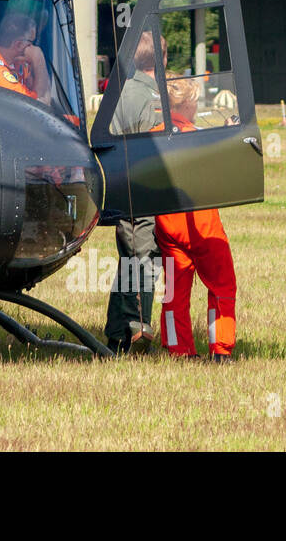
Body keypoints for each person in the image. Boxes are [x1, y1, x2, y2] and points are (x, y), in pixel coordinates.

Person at [152, 75, 237, 362]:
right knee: (221, 285)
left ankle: (178, 350)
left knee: (175, 292)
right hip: (202, 225)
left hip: (168, 225)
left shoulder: (153, 135)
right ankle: (220, 350)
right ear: (187, 104)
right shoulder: (198, 136)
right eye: (196, 102)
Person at [103, 29, 166, 354]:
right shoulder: (154, 99)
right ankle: (136, 332)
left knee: (128, 259)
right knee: (145, 261)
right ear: (161, 59)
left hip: (120, 189)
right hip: (146, 193)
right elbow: (157, 150)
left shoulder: (118, 94)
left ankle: (116, 333)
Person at [0, 12, 50, 101]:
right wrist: (39, 61)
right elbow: (39, 105)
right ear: (18, 44)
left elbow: (35, 84)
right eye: (31, 42)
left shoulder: (17, 57)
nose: (33, 47)